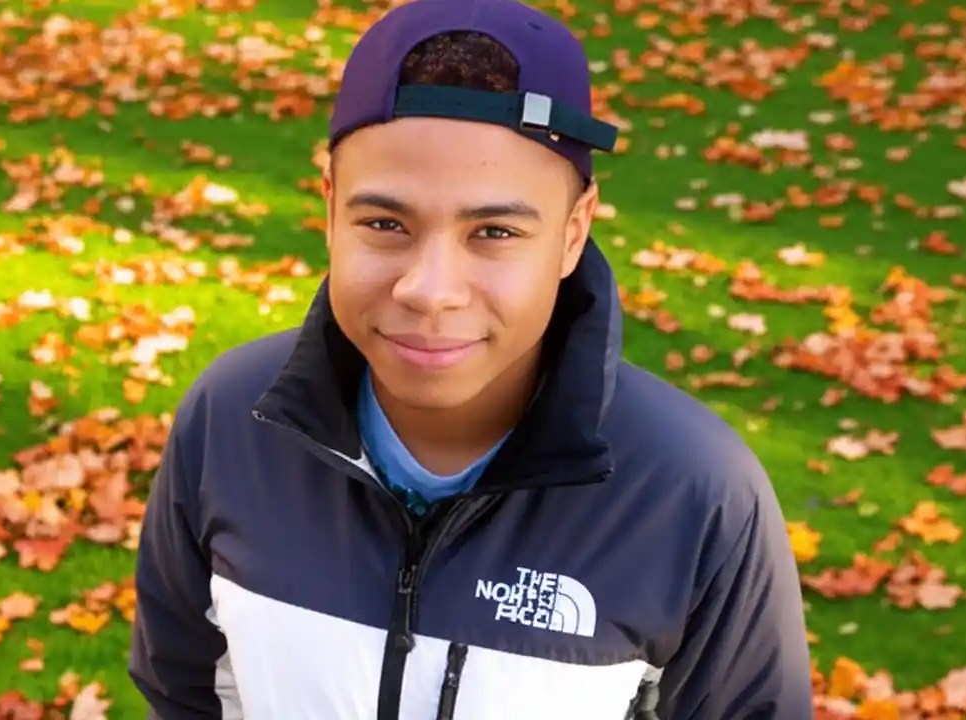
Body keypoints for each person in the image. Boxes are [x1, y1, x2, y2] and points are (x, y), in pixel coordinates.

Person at [128, 0, 813, 717]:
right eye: (386, 224)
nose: (429, 290)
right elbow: (184, 691)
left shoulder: (693, 492)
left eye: (493, 231)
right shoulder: (231, 422)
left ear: (574, 232)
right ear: (330, 209)